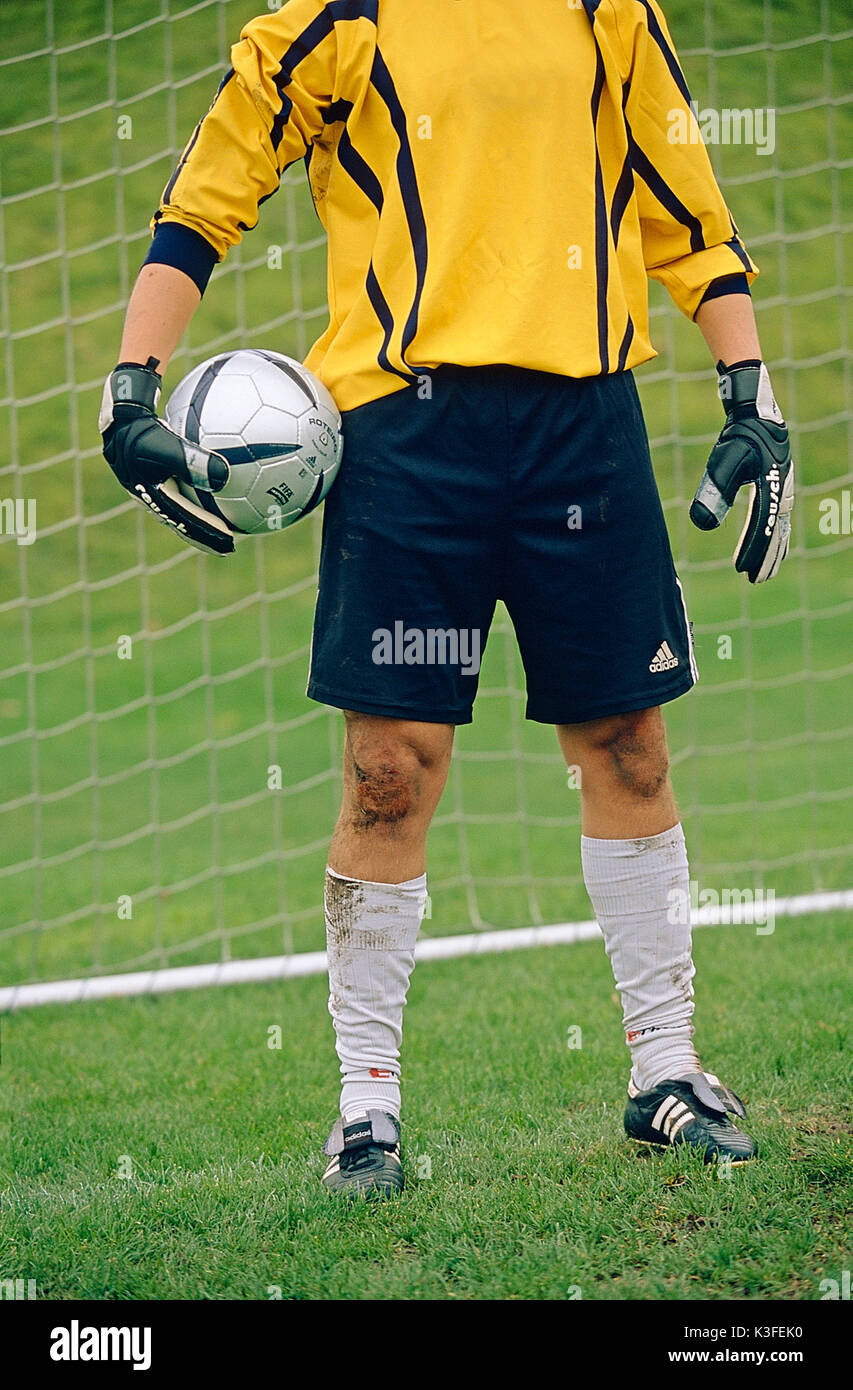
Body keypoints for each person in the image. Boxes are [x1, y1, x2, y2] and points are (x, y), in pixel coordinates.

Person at [100, 0, 794, 1197]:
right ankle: (366, 1112)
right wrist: (128, 388)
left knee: (628, 746)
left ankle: (666, 1071)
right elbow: (208, 190)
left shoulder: (604, 9)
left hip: (584, 424)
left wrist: (751, 393)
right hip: (406, 440)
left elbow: (687, 202)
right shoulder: (340, 21)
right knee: (391, 769)